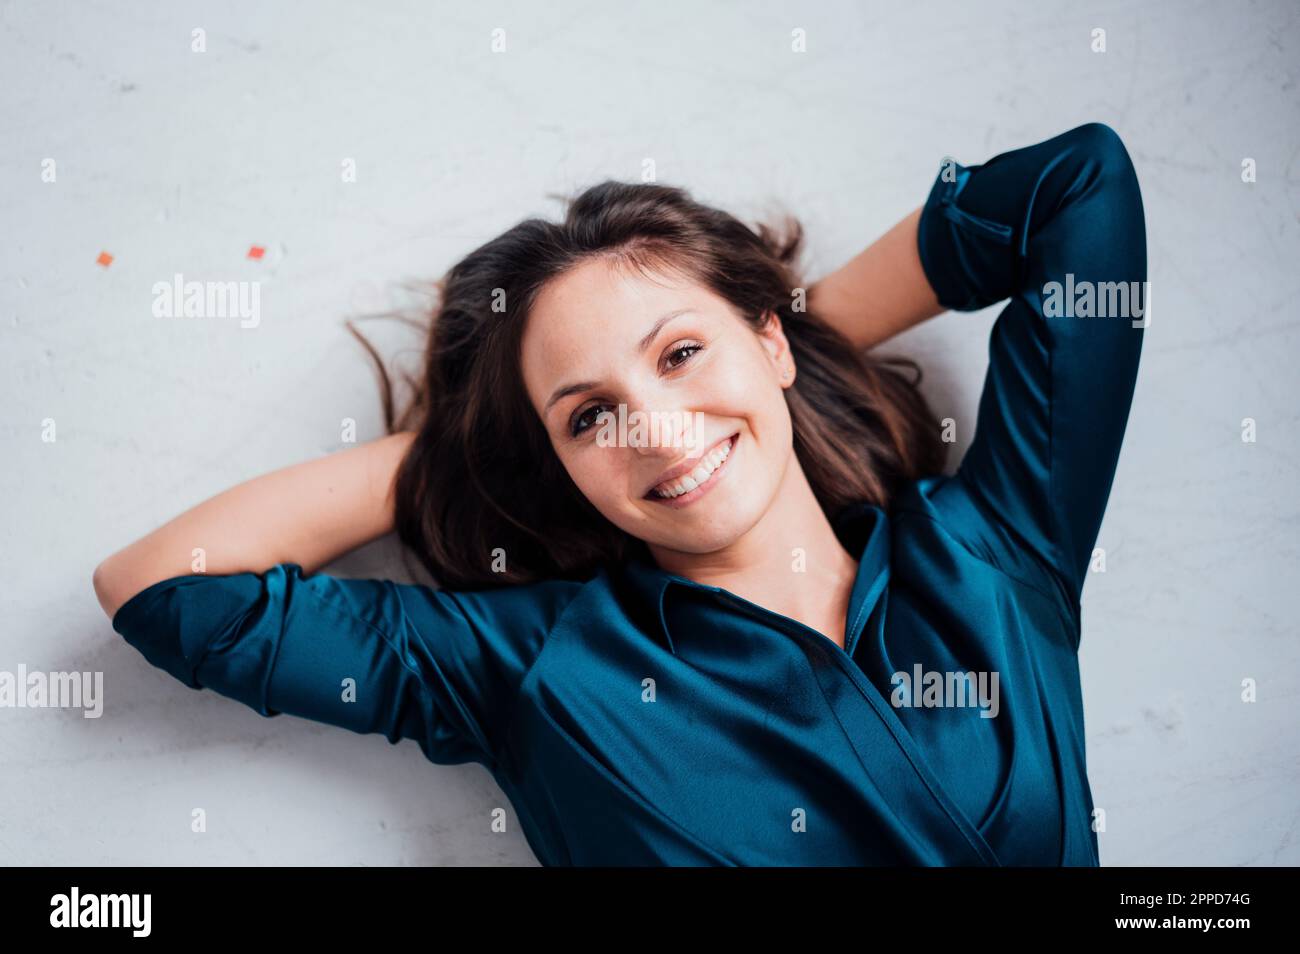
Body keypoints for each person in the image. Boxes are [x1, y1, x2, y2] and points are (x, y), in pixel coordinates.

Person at [93, 122, 1147, 866]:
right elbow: (161, 588)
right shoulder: (536, 669)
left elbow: (1078, 188)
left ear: (765, 340)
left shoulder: (994, 553)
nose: (651, 427)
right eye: (586, 415)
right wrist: (475, 451)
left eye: (681, 353)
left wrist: (792, 338)